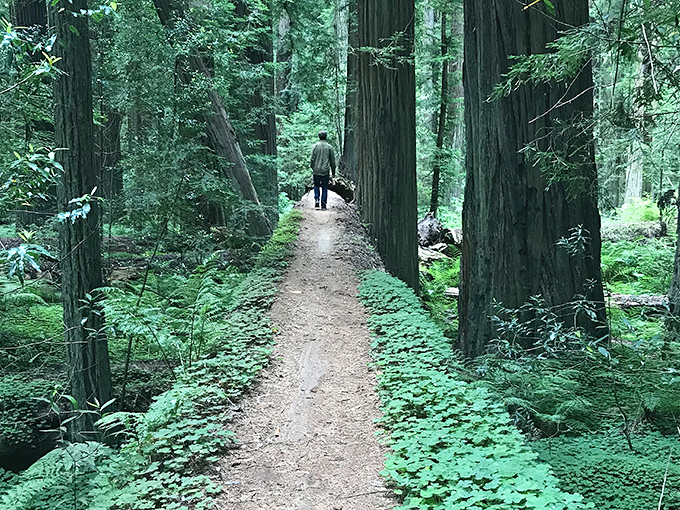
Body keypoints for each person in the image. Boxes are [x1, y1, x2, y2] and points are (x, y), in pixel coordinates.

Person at [310, 130, 336, 210]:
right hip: (325, 171)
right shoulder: (329, 147)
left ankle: (316, 199)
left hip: (316, 170)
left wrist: (313, 167)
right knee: (324, 187)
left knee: (316, 185)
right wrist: (333, 172)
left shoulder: (315, 146)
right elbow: (332, 161)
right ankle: (323, 204)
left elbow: (312, 159)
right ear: (326, 137)